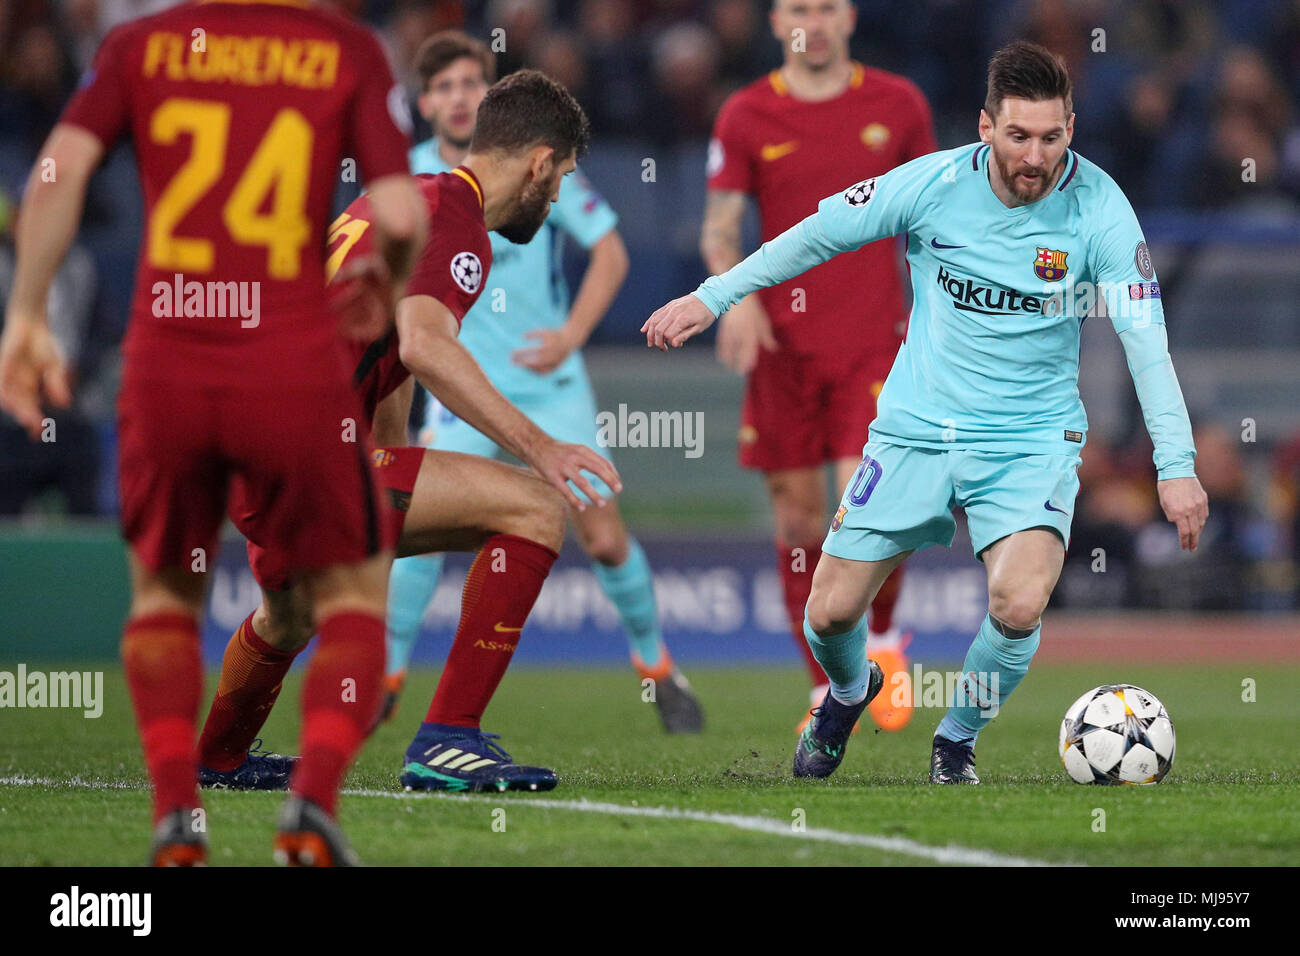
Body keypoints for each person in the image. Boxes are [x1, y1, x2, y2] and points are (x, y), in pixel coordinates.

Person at [644, 40, 1209, 784]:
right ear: (984, 127)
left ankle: (955, 741)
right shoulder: (933, 183)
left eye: (1050, 136)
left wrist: (1177, 466)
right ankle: (848, 693)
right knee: (831, 614)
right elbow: (816, 236)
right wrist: (713, 295)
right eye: (1017, 136)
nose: (1034, 155)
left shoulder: (1100, 208)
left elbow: (1145, 341)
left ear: (1071, 126)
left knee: (1020, 599)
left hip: (1029, 439)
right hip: (916, 428)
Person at [0, 0, 425, 865]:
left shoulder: (140, 45)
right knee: (348, 596)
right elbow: (404, 213)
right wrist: (389, 281)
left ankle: (176, 823)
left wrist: (26, 313)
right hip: (292, 364)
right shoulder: (344, 49)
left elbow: (56, 172)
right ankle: (310, 809)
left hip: (167, 362)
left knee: (163, 603)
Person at [195, 68, 624, 797]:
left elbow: (384, 361)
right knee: (536, 506)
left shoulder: (395, 203)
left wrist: (378, 472)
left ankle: (220, 757)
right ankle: (448, 738)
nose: (555, 199)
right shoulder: (454, 224)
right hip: (299, 454)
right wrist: (541, 447)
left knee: (291, 610)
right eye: (560, 179)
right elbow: (424, 346)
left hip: (256, 447)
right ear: (541, 161)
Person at [385, 31, 704, 734]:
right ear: (425, 101)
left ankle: (658, 671)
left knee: (605, 537)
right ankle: (387, 677)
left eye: (471, 83)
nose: (458, 96)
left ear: (489, 97)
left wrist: (570, 336)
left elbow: (611, 251)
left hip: (547, 385)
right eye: (443, 87)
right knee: (415, 534)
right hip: (457, 383)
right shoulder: (408, 179)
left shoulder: (537, 169)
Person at [701, 0, 936, 733]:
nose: (815, 20)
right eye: (800, 7)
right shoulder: (743, 114)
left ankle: (888, 637)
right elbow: (718, 228)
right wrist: (733, 298)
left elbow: (936, 212)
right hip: (781, 347)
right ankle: (826, 688)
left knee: (868, 504)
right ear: (776, 22)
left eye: (827, 6)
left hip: (873, 339)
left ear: (851, 16)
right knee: (798, 517)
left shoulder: (898, 105)